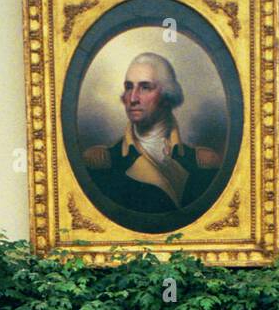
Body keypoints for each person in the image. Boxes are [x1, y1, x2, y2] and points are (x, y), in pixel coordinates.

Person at [82, 52, 221, 215]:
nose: (132, 98)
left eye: (145, 87)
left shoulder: (203, 163)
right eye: (128, 87)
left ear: (167, 96)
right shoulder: (101, 164)